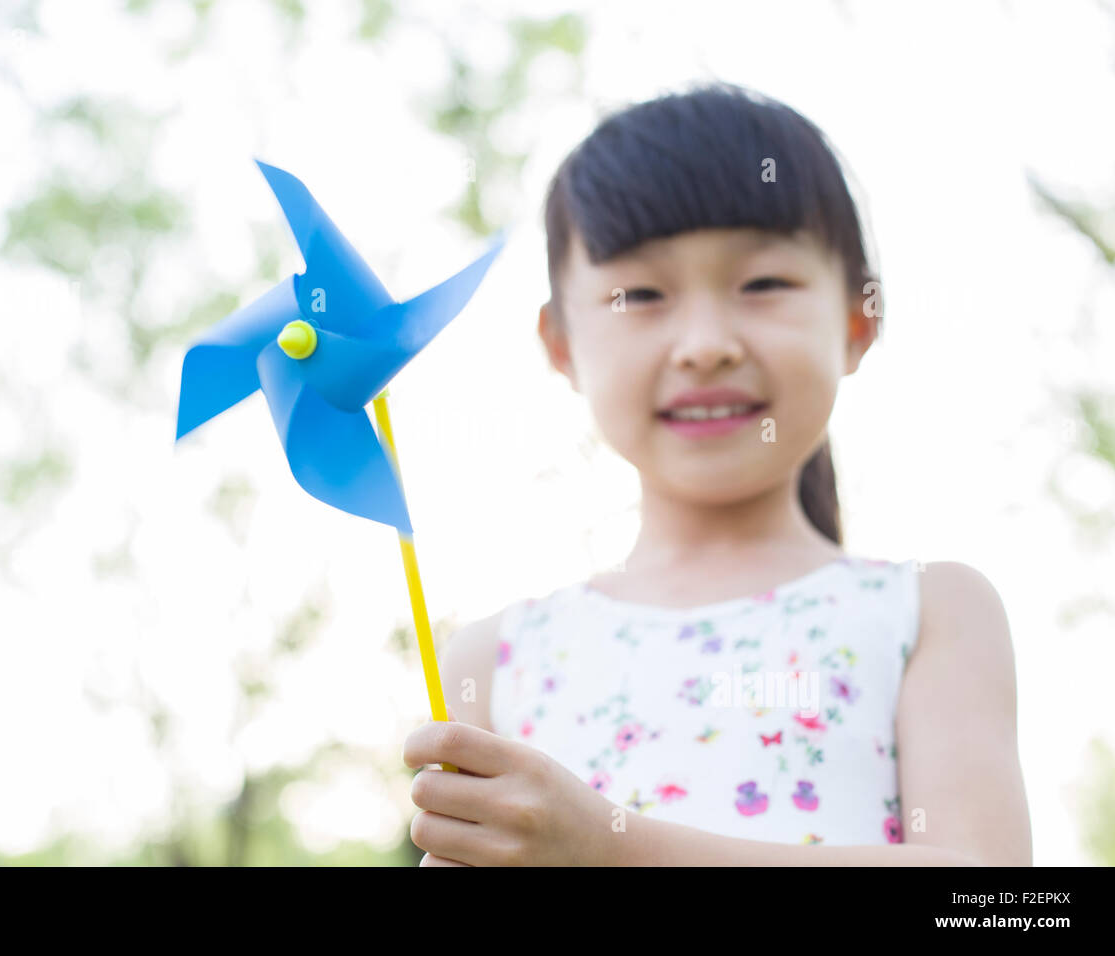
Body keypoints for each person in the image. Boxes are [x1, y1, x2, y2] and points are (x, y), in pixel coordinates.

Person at [403, 81, 1031, 866]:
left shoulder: (931, 609)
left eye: (763, 284)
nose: (705, 344)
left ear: (855, 323)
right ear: (560, 343)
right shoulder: (489, 662)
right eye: (641, 293)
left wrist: (618, 852)